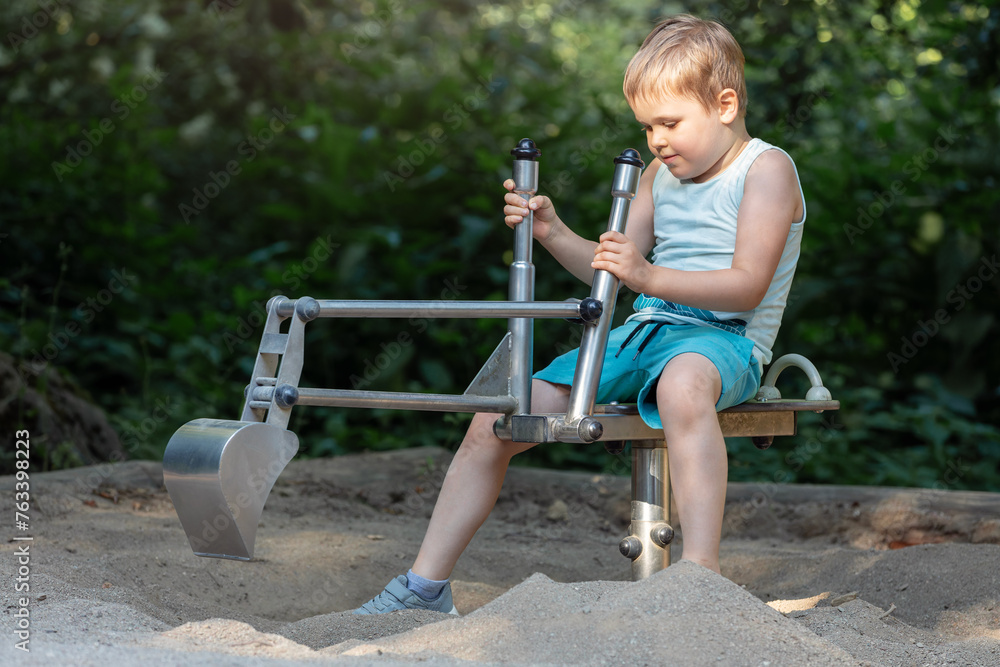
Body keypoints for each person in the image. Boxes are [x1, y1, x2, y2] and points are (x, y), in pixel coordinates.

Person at [353, 14, 805, 615]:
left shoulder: (765, 169)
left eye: (670, 123)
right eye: (647, 127)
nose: (658, 141)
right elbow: (608, 276)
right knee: (499, 414)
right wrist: (552, 230)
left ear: (725, 104)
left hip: (726, 342)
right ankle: (423, 587)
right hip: (643, 333)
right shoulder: (657, 176)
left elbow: (747, 287)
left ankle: (703, 576)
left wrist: (645, 275)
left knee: (682, 386)